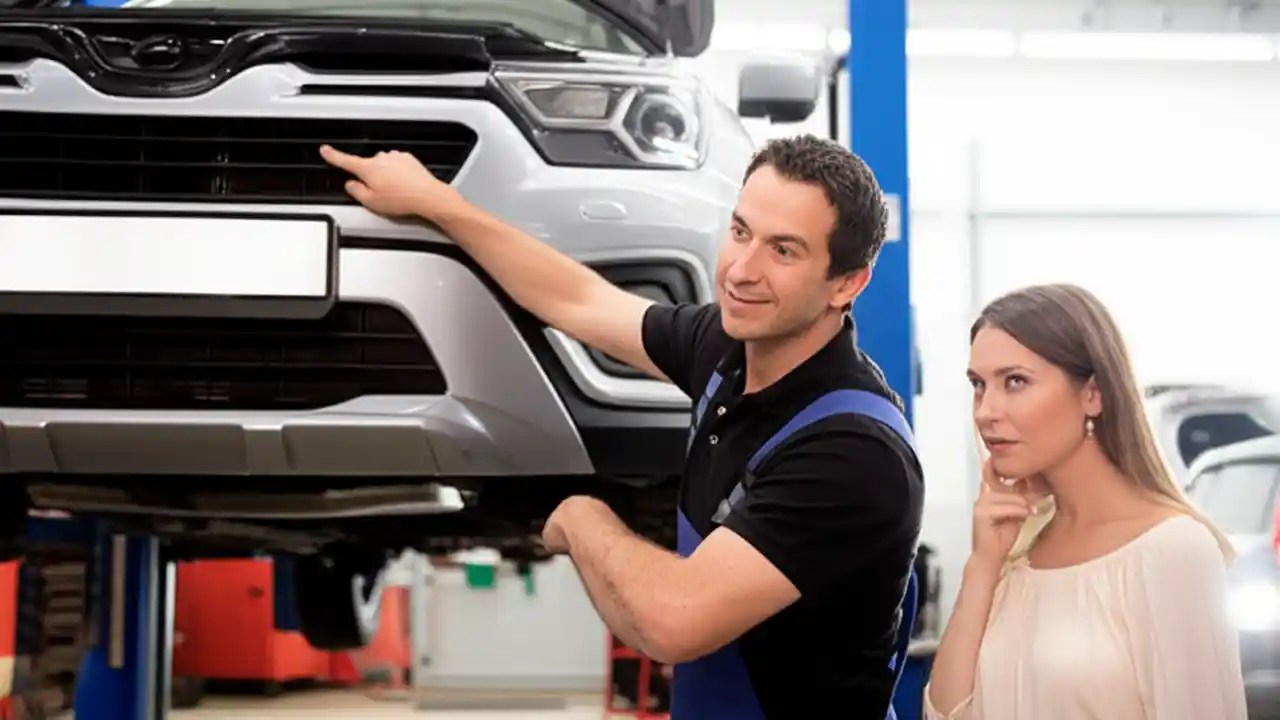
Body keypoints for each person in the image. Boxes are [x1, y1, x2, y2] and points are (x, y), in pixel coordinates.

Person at [318, 135, 925, 719]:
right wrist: (438, 203)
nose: (741, 270)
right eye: (741, 232)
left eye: (783, 251)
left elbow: (673, 619)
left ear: (847, 283)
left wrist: (584, 519)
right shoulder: (724, 349)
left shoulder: (853, 450)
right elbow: (577, 299)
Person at [925, 283, 1249, 720]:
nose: (985, 411)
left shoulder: (1173, 550)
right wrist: (982, 566)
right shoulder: (1015, 548)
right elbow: (944, 714)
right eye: (979, 385)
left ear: (1093, 394)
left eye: (1015, 381)